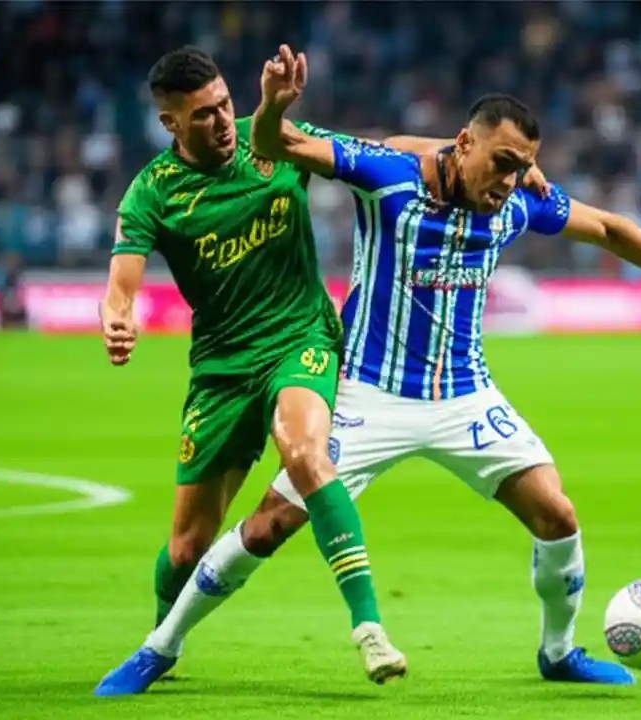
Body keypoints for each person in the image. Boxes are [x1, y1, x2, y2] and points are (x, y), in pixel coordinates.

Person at [105, 44, 641, 694]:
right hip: (369, 395)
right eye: (503, 162)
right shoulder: (388, 176)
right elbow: (281, 146)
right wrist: (274, 108)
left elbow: (606, 228)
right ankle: (159, 647)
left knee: (558, 515)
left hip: (465, 398)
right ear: (462, 144)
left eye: (523, 167)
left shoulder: (516, 202)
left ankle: (559, 651)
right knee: (266, 526)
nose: (510, 181)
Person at [93, 46, 432, 694]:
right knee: (187, 549)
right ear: (170, 124)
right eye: (204, 115)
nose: (224, 122)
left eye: (226, 104)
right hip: (221, 370)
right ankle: (166, 638)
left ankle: (369, 628)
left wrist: (462, 148)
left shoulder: (270, 139)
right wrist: (117, 315)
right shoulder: (153, 192)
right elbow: (122, 281)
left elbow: (381, 150)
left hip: (300, 338)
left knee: (304, 452)